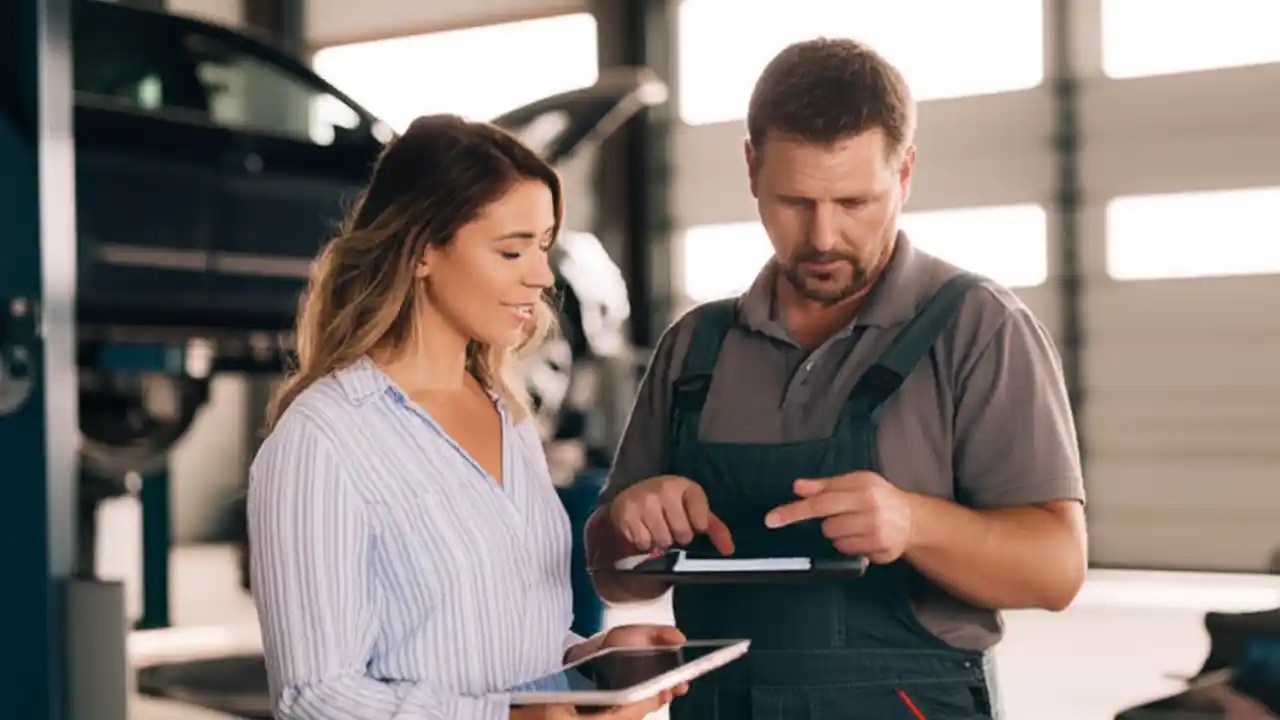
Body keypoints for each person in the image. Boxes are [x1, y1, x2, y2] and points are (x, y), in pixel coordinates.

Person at [585, 38, 1089, 719]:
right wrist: (625, 523)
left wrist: (913, 522)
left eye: (854, 201)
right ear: (751, 166)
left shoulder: (980, 328)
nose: (822, 237)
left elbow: (1057, 570)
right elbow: (615, 576)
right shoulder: (694, 348)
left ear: (905, 172)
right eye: (795, 201)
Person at [247, 115, 685, 720]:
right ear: (423, 250)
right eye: (512, 249)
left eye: (542, 245)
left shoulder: (509, 417)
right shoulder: (323, 440)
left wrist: (592, 662)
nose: (542, 274)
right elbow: (315, 698)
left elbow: (505, 646)